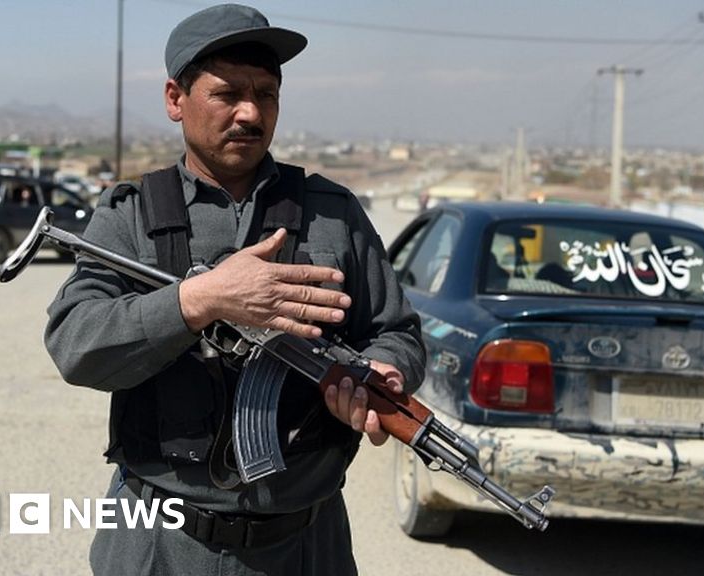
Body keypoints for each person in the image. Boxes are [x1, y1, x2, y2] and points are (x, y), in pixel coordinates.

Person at [43, 4, 425, 575]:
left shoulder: (332, 213)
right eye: (227, 93)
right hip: (160, 546)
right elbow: (75, 345)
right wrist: (201, 301)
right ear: (176, 99)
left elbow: (397, 332)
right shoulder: (131, 214)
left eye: (267, 94)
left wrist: (383, 371)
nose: (251, 112)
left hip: (304, 545)